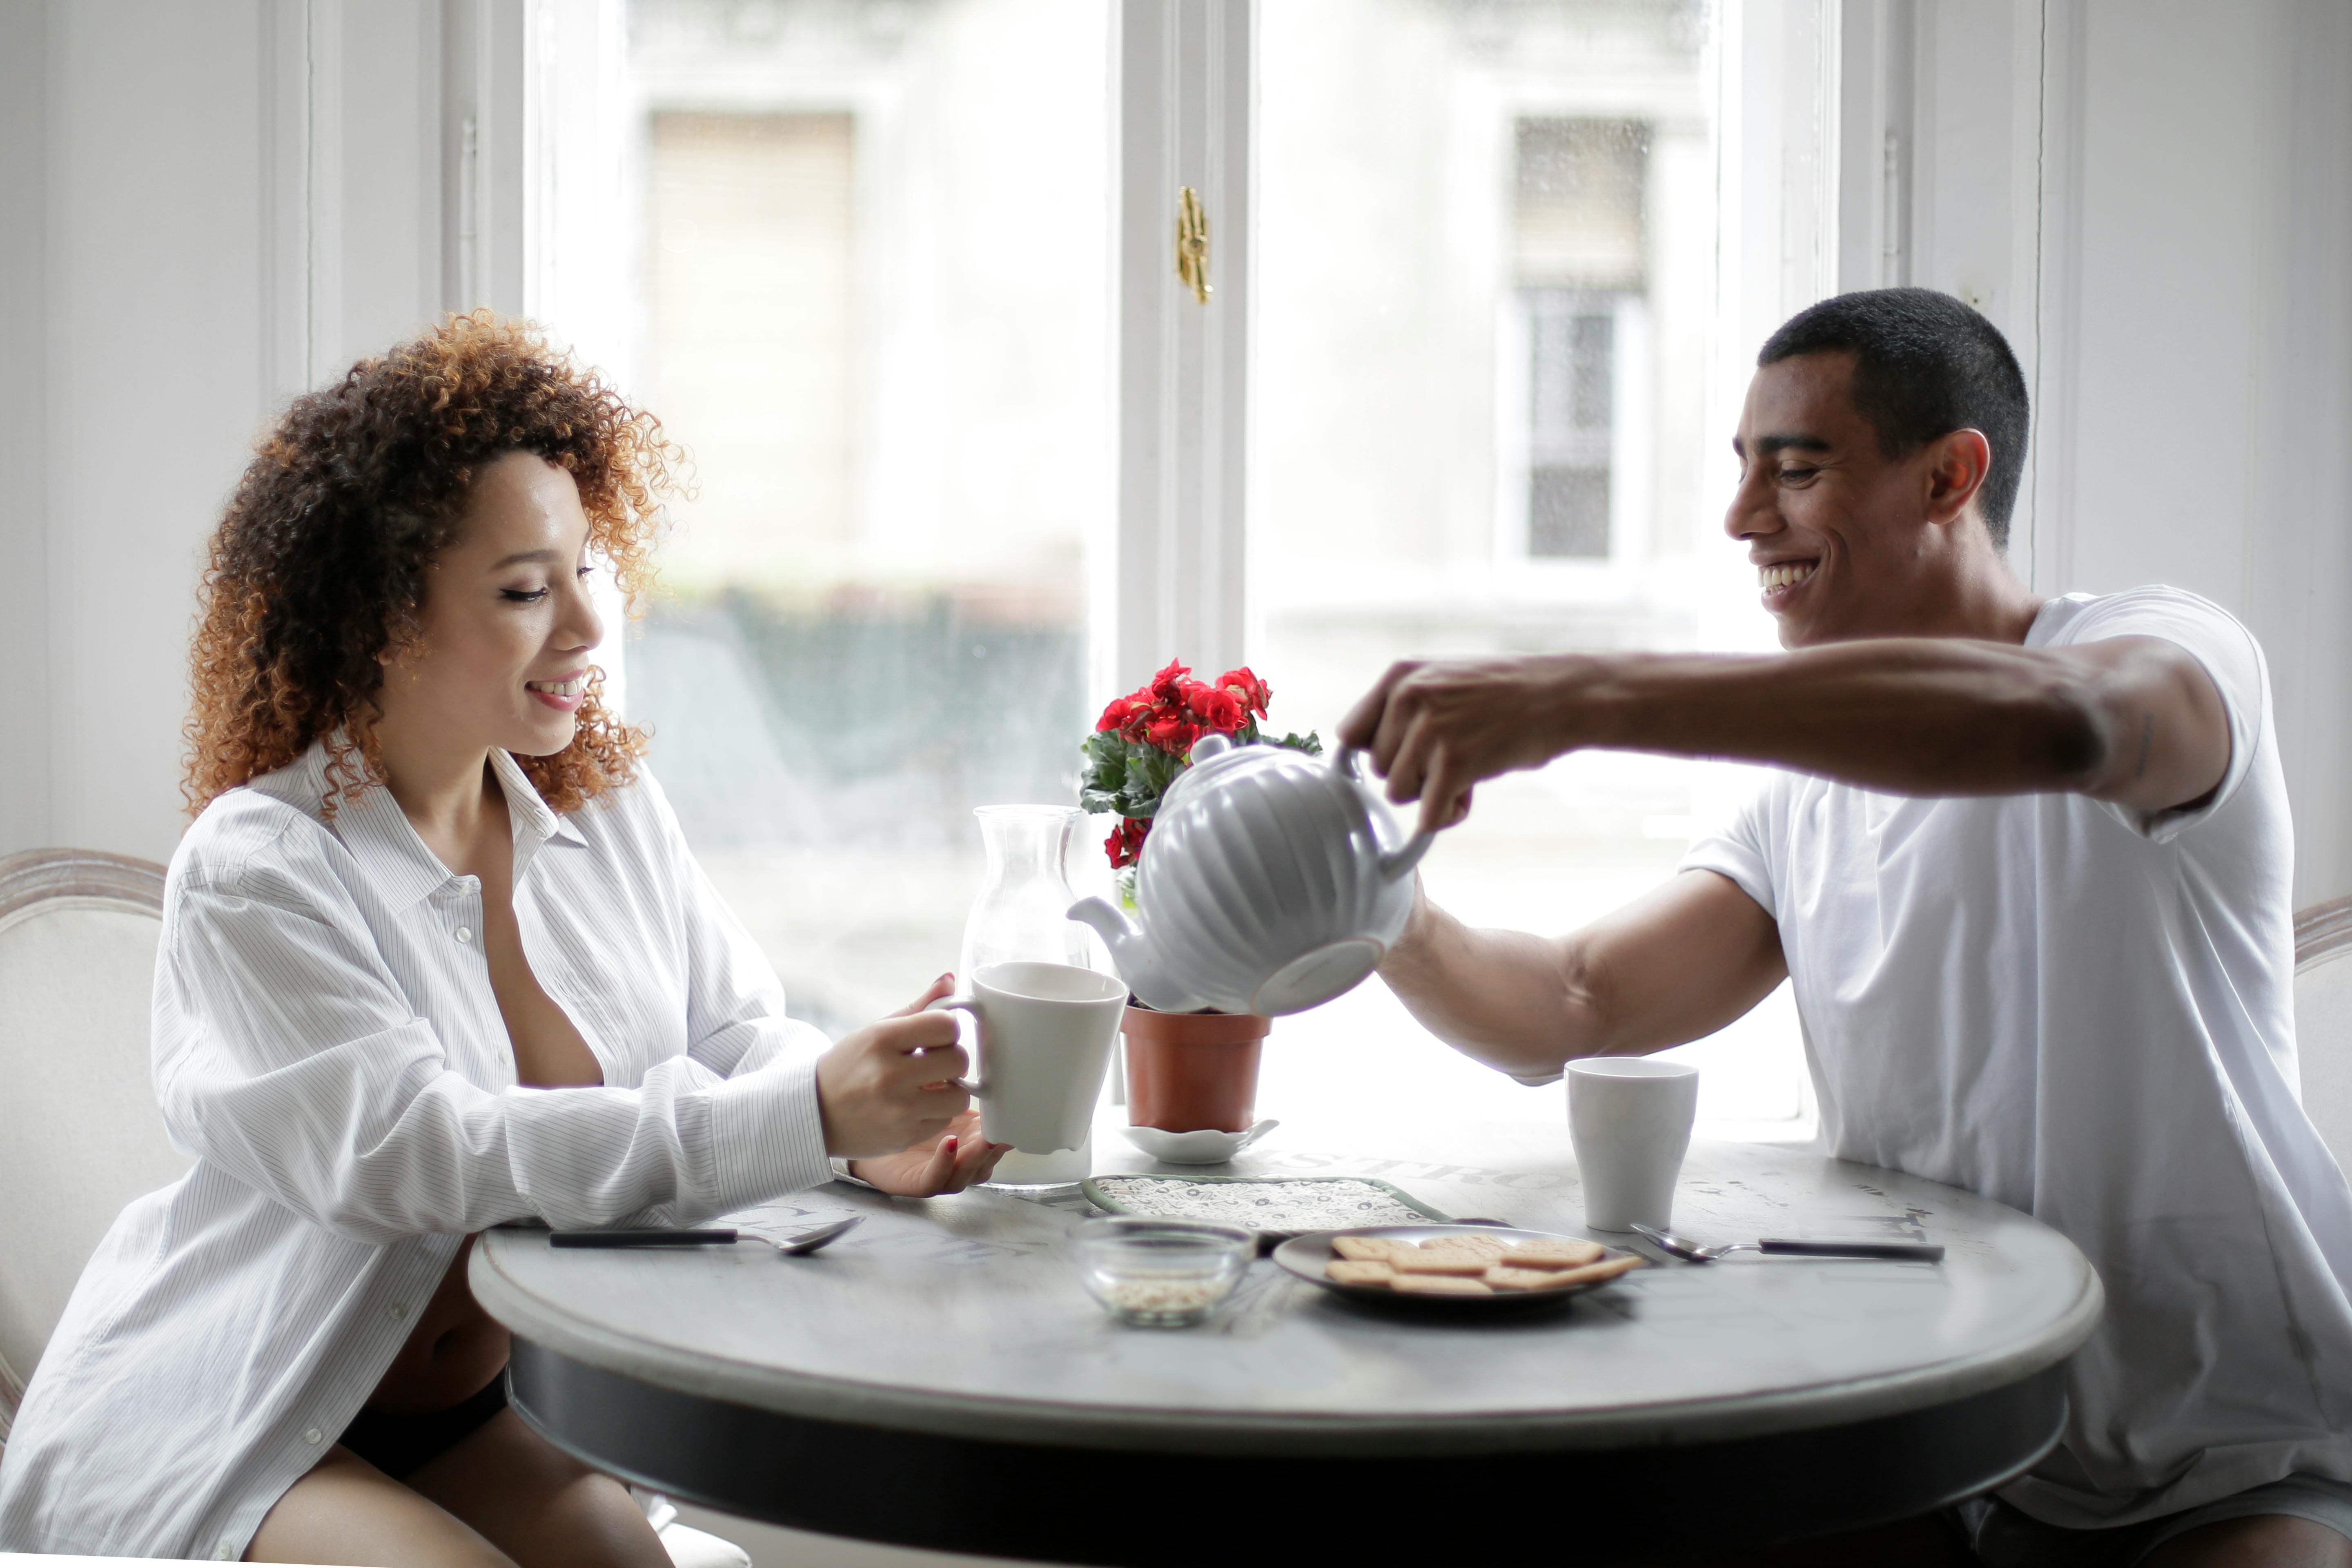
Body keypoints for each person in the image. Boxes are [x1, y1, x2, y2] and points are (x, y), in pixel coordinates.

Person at [1343, 288, 2352, 1568]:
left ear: (1949, 477)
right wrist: (1378, 908)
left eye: (1798, 469)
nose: (1743, 518)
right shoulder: (1803, 798)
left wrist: (1588, 692)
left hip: (2243, 1460)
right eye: (1742, 471)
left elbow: (2067, 730)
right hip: (1967, 1452)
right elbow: (1576, 1005)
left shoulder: (2166, 652)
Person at [0, 313, 1006, 1565]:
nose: (587, 626)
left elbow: (736, 1034)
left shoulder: (602, 805)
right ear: (380, 616)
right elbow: (425, 1153)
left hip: (479, 1413)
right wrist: (806, 1114)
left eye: (588, 567)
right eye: (528, 589)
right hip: (237, 1419)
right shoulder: (257, 869)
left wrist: (871, 1148)